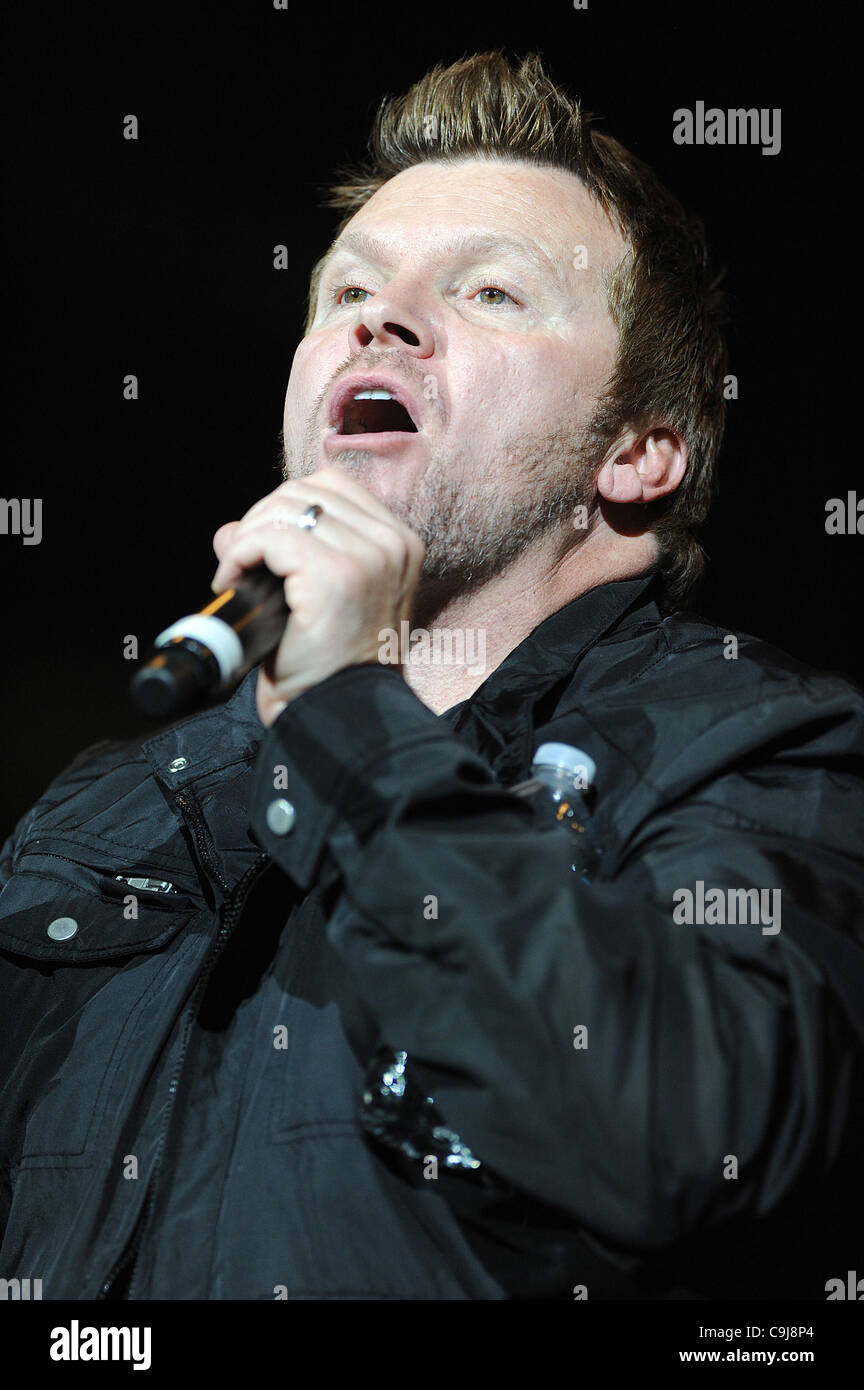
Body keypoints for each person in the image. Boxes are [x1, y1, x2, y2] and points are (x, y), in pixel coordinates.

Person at [1, 51, 862, 1302]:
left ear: (637, 453)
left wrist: (353, 715)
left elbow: (673, 1131)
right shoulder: (107, 813)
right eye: (346, 287)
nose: (376, 316)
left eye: (493, 293)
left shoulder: (772, 755)